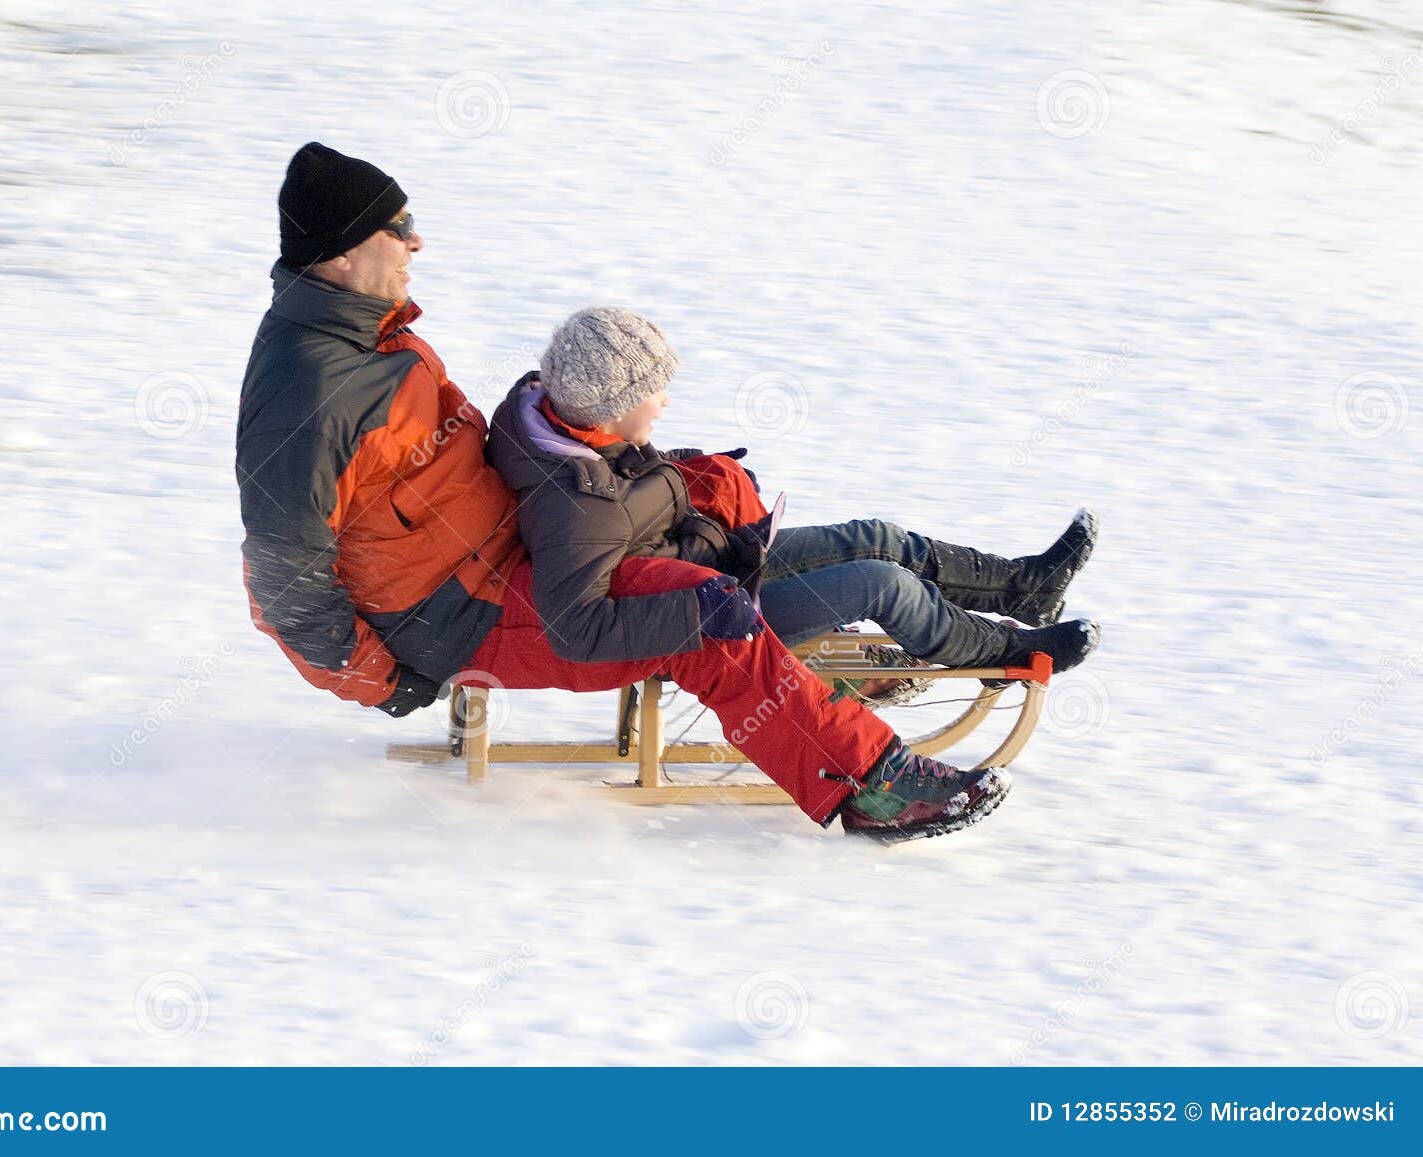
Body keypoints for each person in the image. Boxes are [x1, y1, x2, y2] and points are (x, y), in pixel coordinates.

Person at [235, 143, 1059, 843]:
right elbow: (281, 576)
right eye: (399, 227)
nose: (418, 240)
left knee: (709, 511)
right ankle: (873, 785)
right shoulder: (307, 392)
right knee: (698, 616)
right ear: (341, 255)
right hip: (459, 613)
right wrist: (382, 679)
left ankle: (898, 636)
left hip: (512, 556)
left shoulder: (371, 338)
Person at [485, 307, 1100, 702]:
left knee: (875, 536)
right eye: (655, 392)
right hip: (714, 617)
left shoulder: (576, 435)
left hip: (717, 562)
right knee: (881, 583)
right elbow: (579, 623)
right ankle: (1002, 654)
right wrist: (703, 610)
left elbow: (631, 501)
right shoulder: (574, 500)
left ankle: (1025, 587)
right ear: (611, 407)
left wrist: (688, 470)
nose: (665, 402)